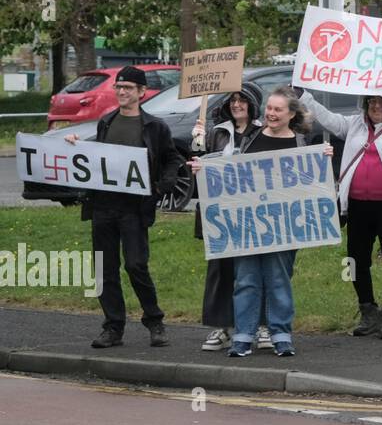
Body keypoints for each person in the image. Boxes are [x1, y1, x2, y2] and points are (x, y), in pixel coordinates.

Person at [191, 86, 328, 358]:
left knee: (278, 280)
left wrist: (323, 161)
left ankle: (281, 335)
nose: (271, 114)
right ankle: (243, 336)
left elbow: (312, 184)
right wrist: (203, 169)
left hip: (285, 226)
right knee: (246, 279)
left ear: (291, 114)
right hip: (247, 225)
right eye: (269, 109)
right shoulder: (250, 137)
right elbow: (229, 171)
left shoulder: (302, 144)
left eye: (278, 110)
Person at [298, 87, 382, 339]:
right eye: (371, 102)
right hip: (357, 206)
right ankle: (367, 308)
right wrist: (304, 96)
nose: (376, 106)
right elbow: (326, 117)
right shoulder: (354, 124)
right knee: (355, 261)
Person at [69, 65, 182, 349]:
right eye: (118, 87)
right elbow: (96, 159)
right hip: (103, 207)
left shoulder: (155, 127)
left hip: (134, 209)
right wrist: (75, 146)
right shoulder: (106, 122)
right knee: (104, 269)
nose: (121, 92)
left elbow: (171, 159)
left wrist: (161, 187)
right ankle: (113, 327)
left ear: (141, 92)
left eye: (128, 88)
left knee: (136, 265)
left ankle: (154, 320)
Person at [190, 82, 265, 352]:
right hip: (220, 215)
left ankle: (261, 325)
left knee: (256, 269)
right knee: (220, 271)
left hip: (252, 213)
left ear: (252, 103)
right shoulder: (216, 134)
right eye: (232, 100)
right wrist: (197, 145)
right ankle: (220, 327)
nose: (236, 105)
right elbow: (199, 167)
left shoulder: (263, 133)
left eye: (242, 100)